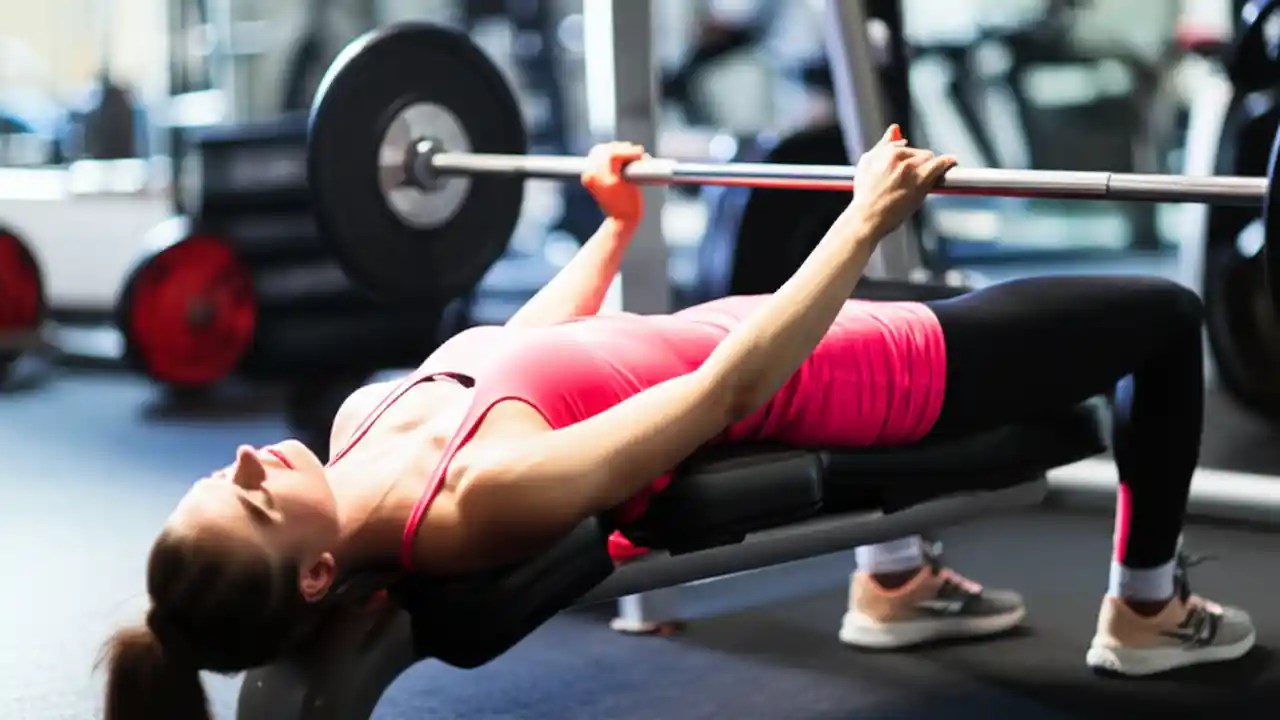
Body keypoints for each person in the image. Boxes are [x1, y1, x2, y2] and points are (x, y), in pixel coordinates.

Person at [100, 127, 1255, 719]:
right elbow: (721, 400)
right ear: (312, 579)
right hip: (856, 375)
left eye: (223, 471)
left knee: (912, 267)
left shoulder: (362, 425)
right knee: (1158, 315)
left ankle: (894, 590)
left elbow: (516, 354)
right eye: (250, 495)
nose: (250, 456)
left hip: (762, 323)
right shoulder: (475, 501)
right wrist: (857, 221)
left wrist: (606, 232)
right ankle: (1145, 609)